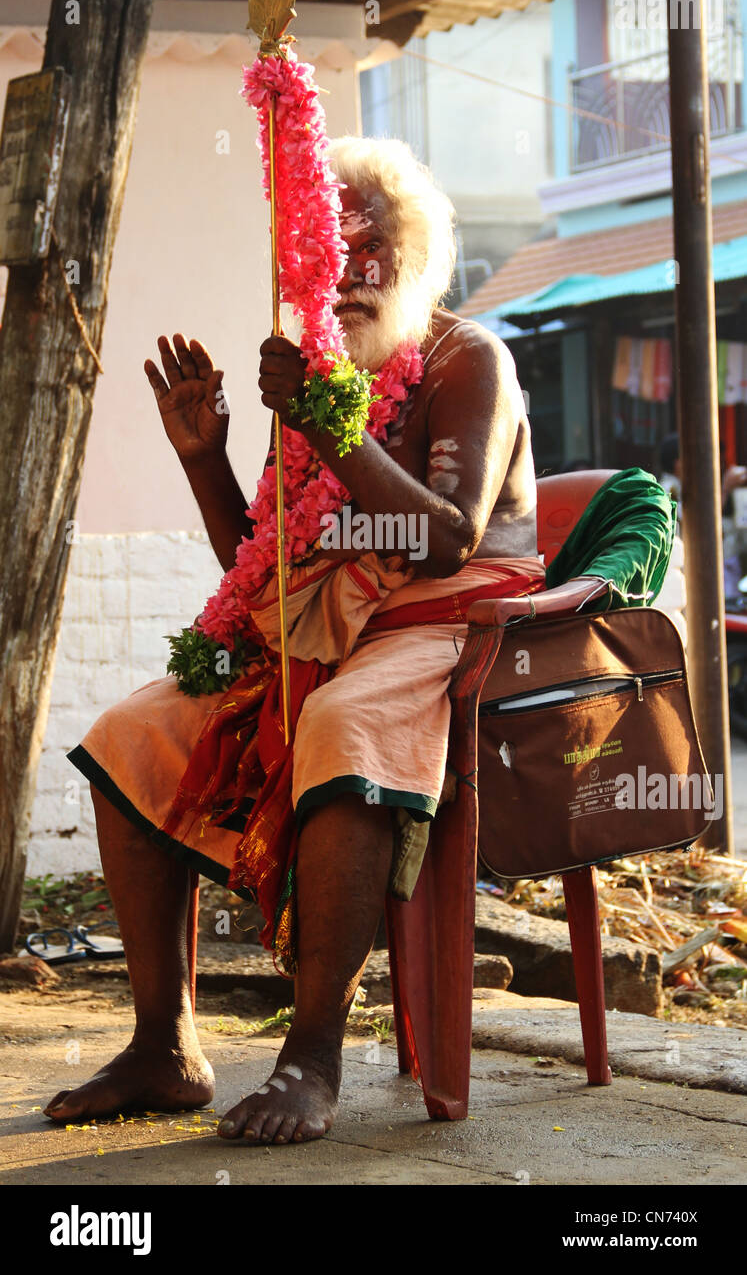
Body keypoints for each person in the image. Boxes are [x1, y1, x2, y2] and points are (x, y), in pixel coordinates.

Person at [44, 137, 551, 1145]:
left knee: (340, 721)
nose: (349, 282)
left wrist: (326, 419)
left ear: (417, 264)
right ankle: (164, 1042)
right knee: (133, 732)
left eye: (373, 258)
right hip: (317, 635)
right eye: (330, 260)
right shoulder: (320, 380)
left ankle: (312, 1053)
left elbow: (443, 535)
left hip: (439, 624)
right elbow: (264, 565)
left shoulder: (468, 360)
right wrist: (205, 457)